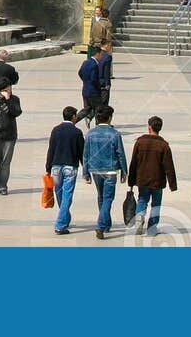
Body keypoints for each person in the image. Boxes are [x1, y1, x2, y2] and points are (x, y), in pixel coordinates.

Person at [81, 105, 128, 239]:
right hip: (110, 171)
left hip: (95, 170)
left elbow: (86, 154)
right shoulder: (114, 134)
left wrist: (85, 173)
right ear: (110, 118)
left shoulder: (90, 134)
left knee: (101, 196)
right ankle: (101, 226)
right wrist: (124, 171)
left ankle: (106, 225)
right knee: (108, 198)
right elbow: (121, 154)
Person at [127, 114, 179, 235]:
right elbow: (169, 167)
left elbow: (134, 162)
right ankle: (152, 228)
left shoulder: (140, 142)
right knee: (156, 204)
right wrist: (173, 185)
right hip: (158, 180)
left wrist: (131, 180)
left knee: (142, 200)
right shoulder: (164, 145)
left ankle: (139, 217)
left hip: (142, 178)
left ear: (149, 127)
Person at [45, 105, 85, 235]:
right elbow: (82, 152)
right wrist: (86, 169)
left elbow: (51, 150)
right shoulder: (77, 132)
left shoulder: (55, 130)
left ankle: (65, 218)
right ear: (73, 117)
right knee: (67, 195)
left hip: (56, 167)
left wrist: (48, 167)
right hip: (70, 167)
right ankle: (60, 225)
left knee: (60, 194)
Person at [75, 48, 106, 127]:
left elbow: (80, 72)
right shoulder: (94, 65)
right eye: (101, 55)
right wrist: (99, 86)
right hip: (93, 92)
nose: (101, 57)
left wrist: (85, 81)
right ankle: (99, 126)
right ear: (97, 54)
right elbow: (93, 79)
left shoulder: (86, 62)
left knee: (87, 109)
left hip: (85, 90)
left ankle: (73, 121)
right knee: (99, 110)